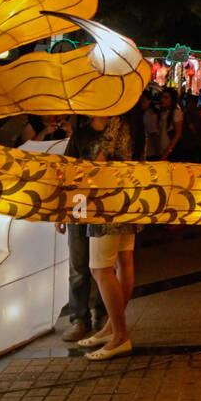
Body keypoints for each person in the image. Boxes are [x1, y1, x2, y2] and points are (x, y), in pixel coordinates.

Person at [67, 114, 139, 361]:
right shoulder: (135, 122)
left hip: (106, 204)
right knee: (123, 262)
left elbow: (98, 163)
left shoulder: (117, 124)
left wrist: (75, 200)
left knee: (100, 269)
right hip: (129, 200)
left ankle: (119, 334)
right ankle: (112, 328)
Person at [156, 86, 183, 161]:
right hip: (162, 149)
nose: (162, 100)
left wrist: (167, 152)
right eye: (162, 97)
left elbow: (178, 134)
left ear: (172, 99)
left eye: (166, 98)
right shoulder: (163, 112)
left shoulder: (176, 112)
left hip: (170, 152)